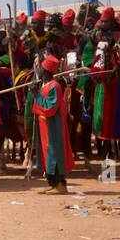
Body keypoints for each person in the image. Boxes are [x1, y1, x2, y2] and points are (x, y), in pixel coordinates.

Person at [32, 53, 73, 194]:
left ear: (45, 70)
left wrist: (37, 94)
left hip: (53, 127)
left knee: (54, 153)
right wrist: (36, 92)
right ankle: (52, 183)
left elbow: (49, 108)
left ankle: (60, 185)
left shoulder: (54, 86)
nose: (38, 70)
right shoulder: (45, 85)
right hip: (44, 127)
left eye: (40, 67)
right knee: (46, 154)